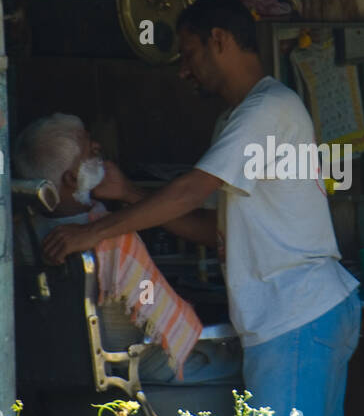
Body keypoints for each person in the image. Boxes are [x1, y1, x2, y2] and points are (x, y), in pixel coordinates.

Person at [41, 0, 361, 416]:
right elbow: (207, 224)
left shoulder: (267, 109)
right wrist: (127, 198)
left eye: (188, 53)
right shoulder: (241, 120)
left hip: (296, 316)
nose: (183, 69)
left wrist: (94, 229)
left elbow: (191, 191)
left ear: (220, 40)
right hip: (309, 313)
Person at [13, 113, 240, 388]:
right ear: (72, 178)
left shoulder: (22, 234)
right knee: (242, 359)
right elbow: (158, 313)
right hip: (146, 364)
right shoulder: (109, 234)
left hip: (61, 369)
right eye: (89, 147)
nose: (98, 147)